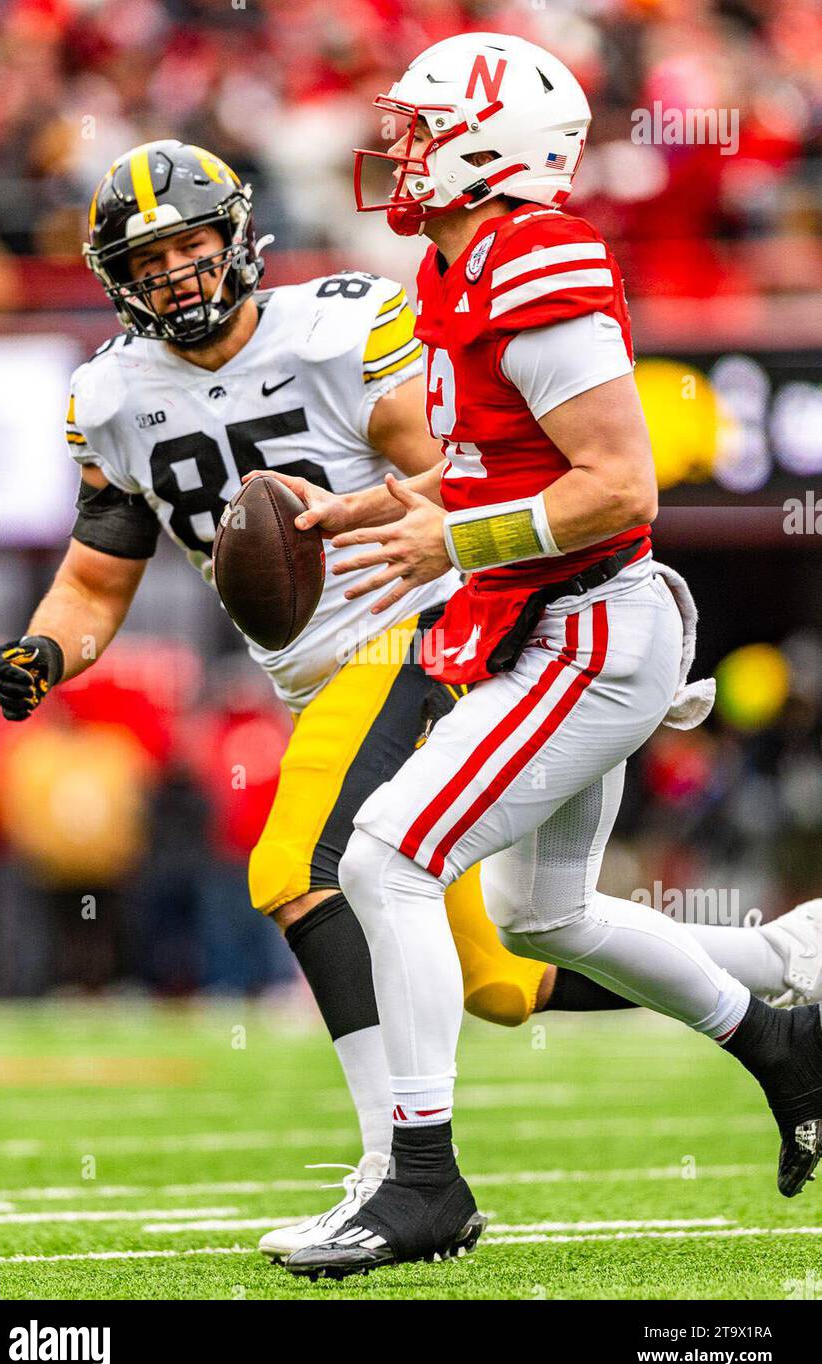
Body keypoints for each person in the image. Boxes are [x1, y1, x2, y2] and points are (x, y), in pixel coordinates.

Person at [0, 138, 820, 1262]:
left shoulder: (335, 327)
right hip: (326, 678)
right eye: (151, 256)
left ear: (236, 237)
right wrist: (43, 651)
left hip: (419, 638)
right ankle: (780, 981)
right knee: (506, 979)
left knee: (298, 869)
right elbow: (95, 576)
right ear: (114, 275)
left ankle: (404, 1176)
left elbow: (456, 473)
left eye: (192, 242)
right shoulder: (110, 396)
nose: (179, 272)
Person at [273, 34, 822, 1279]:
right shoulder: (456, 263)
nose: (399, 150)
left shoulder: (536, 256)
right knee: (546, 916)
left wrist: (448, 538)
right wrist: (379, 511)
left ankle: (419, 1184)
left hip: (587, 624)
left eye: (420, 127)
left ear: (488, 143)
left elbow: (617, 486)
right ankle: (782, 1025)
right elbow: (487, 469)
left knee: (387, 857)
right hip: (548, 620)